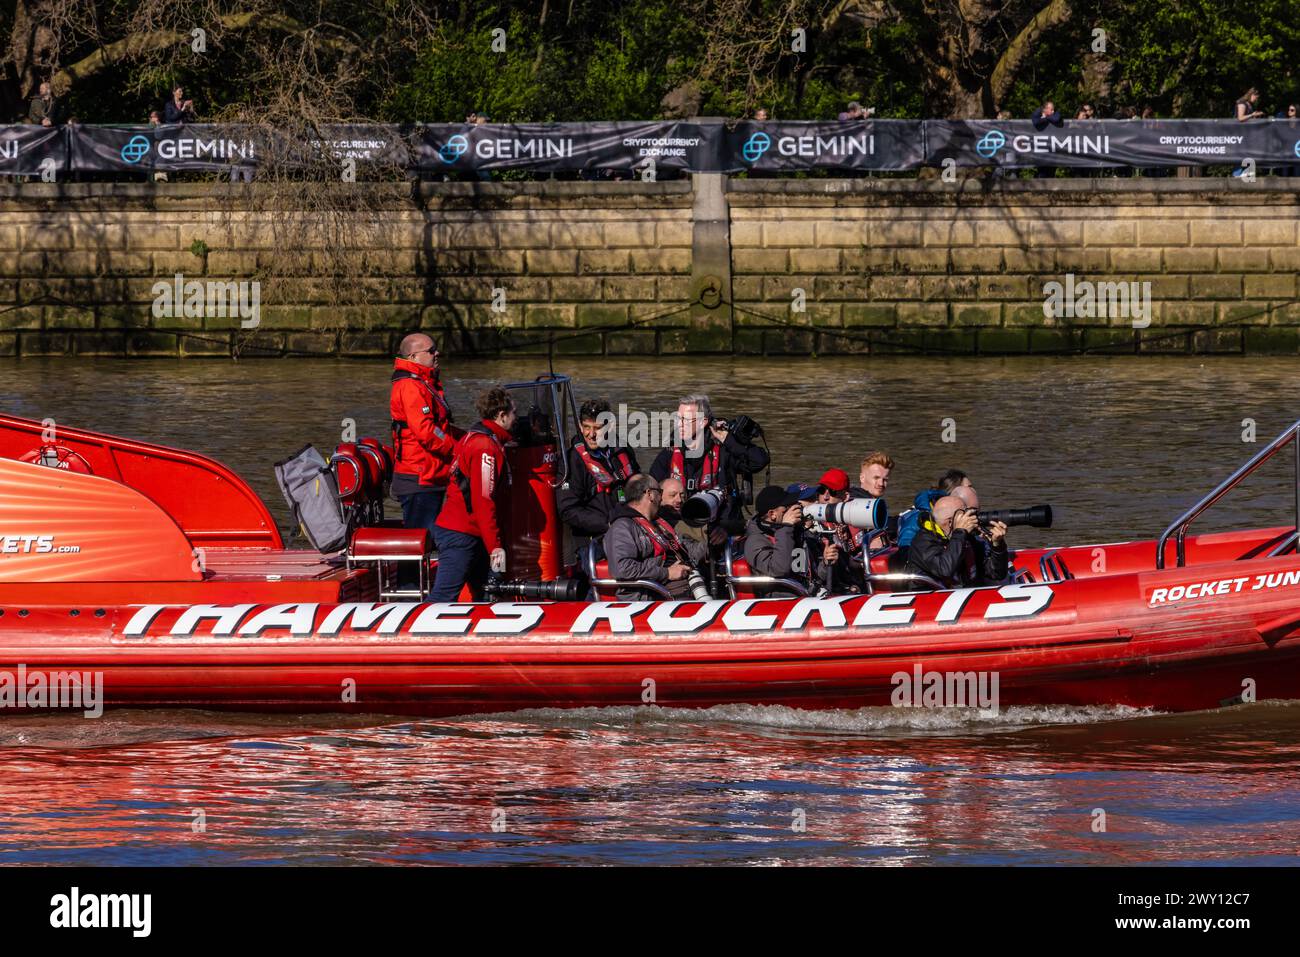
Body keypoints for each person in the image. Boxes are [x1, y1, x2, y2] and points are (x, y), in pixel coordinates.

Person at [430, 387, 516, 601]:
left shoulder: (478, 437)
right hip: (461, 534)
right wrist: (496, 548)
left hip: (472, 533)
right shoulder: (485, 447)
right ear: (501, 415)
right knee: (443, 596)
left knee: (487, 593)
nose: (516, 418)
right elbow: (483, 501)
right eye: (513, 413)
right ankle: (414, 629)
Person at [649, 394, 768, 536]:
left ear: (702, 422)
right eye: (677, 418)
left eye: (685, 420)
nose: (679, 424)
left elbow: (759, 461)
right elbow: (649, 490)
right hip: (682, 527)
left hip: (724, 526)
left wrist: (728, 439)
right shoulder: (669, 454)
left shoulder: (724, 450)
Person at [390, 332, 460, 545]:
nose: (437, 353)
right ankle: (412, 580)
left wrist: (468, 439)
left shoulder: (424, 382)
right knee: (419, 544)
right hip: (419, 477)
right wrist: (455, 450)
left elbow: (440, 427)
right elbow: (427, 431)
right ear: (413, 357)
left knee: (428, 540)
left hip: (431, 473)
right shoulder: (411, 386)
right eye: (430, 351)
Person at [557, 398, 640, 564]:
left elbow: (639, 486)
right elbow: (567, 510)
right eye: (586, 427)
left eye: (597, 428)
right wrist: (608, 524)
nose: (591, 434)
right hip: (594, 539)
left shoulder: (622, 449)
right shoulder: (572, 461)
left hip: (629, 528)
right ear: (580, 426)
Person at [603, 473, 698, 600]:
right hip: (651, 597)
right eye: (660, 492)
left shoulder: (659, 523)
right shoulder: (622, 526)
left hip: (682, 586)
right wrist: (667, 573)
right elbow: (622, 568)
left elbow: (688, 551)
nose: (660, 498)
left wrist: (712, 545)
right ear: (650, 494)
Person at [904, 495, 1008, 590]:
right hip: (930, 603)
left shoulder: (967, 538)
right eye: (964, 514)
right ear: (950, 522)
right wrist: (960, 533)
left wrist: (997, 545)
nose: (970, 517)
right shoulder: (923, 543)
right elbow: (945, 570)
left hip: (965, 597)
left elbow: (996, 573)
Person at [742, 485, 808, 597]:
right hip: (779, 602)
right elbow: (779, 569)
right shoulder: (755, 541)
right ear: (772, 514)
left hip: (804, 594)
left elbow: (804, 571)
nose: (792, 511)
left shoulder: (793, 532)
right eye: (786, 509)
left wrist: (825, 563)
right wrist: (786, 527)